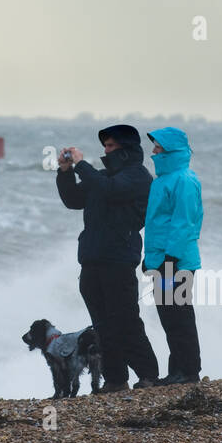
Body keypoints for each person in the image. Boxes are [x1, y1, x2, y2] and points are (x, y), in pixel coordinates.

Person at [56, 125, 160, 391]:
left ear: (125, 149)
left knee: (125, 321)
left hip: (119, 258)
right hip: (92, 258)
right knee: (102, 326)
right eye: (105, 146)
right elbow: (73, 199)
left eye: (111, 146)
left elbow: (110, 190)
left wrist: (81, 165)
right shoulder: (100, 178)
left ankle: (148, 374)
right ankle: (115, 379)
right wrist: (65, 172)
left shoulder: (138, 177)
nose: (106, 150)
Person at [142, 127, 203, 385]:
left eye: (158, 147)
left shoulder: (185, 180)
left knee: (179, 316)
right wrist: (151, 259)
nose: (153, 151)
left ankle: (189, 371)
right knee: (169, 317)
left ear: (170, 150)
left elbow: (185, 223)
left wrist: (171, 259)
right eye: (154, 147)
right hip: (161, 261)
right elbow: (157, 224)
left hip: (176, 263)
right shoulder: (162, 181)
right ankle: (176, 370)